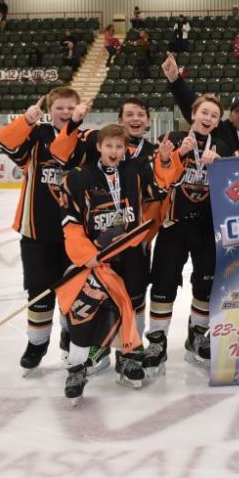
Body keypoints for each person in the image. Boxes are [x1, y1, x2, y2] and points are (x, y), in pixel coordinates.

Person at [58, 124, 161, 401]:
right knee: (86, 307)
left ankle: (128, 355)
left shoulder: (135, 171)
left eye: (119, 147)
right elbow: (70, 220)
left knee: (135, 303)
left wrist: (165, 159)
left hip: (130, 255)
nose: (114, 152)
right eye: (109, 146)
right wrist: (84, 253)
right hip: (96, 260)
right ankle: (77, 367)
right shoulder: (80, 178)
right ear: (99, 147)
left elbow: (158, 192)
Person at [0, 88, 87, 373]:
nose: (65, 113)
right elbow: (4, 142)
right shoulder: (36, 136)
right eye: (59, 108)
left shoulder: (85, 139)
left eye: (70, 108)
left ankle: (69, 336)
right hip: (36, 232)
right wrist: (26, 120)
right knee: (38, 292)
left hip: (75, 234)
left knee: (73, 293)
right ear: (50, 110)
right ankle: (37, 344)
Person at [147, 94, 233, 373]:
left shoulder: (222, 145)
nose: (208, 119)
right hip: (174, 224)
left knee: (205, 282)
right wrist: (180, 154)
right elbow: (159, 178)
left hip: (207, 226)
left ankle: (197, 336)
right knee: (163, 281)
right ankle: (157, 341)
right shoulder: (172, 137)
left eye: (214, 116)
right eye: (204, 113)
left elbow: (232, 187)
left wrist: (220, 164)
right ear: (193, 114)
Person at [161, 51, 239, 150]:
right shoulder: (222, 130)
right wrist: (175, 80)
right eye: (238, 111)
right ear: (231, 117)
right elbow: (192, 105)